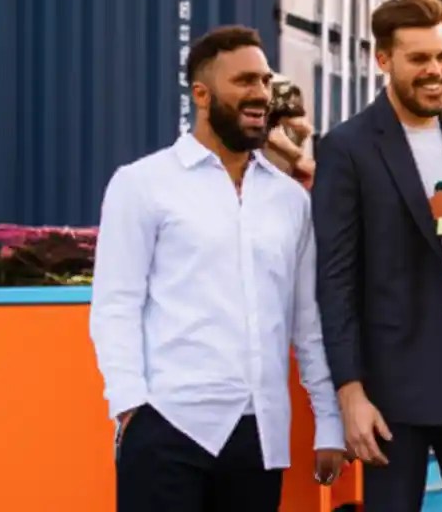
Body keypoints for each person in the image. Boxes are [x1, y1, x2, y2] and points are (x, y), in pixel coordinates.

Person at [90, 26, 345, 512]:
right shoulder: (142, 184)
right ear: (201, 95)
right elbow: (115, 305)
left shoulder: (290, 199)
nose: (260, 95)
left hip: (260, 437)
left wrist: (328, 420)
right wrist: (129, 406)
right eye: (245, 81)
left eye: (265, 82)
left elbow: (307, 321)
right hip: (167, 426)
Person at [312, 0, 442, 511]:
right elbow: (335, 280)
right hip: (391, 377)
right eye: (419, 60)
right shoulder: (347, 147)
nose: (435, 72)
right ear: (383, 60)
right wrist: (350, 391)